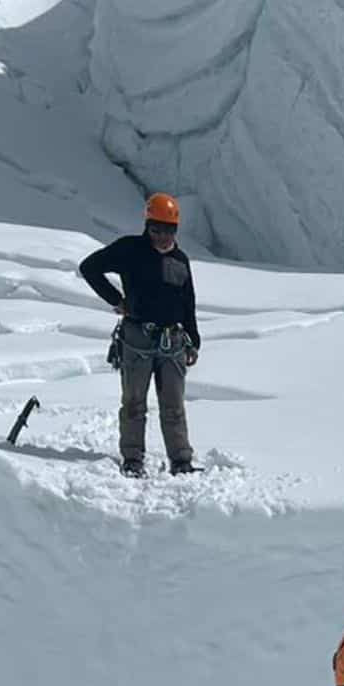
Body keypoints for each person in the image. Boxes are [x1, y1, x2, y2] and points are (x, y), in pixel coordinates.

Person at [78, 192, 202, 478]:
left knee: (174, 405)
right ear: (147, 226)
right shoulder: (129, 249)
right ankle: (132, 459)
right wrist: (116, 299)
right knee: (134, 402)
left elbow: (188, 302)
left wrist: (193, 340)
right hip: (137, 338)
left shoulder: (180, 260)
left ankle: (181, 460)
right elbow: (90, 268)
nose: (162, 236)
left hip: (172, 340)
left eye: (169, 230)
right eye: (156, 229)